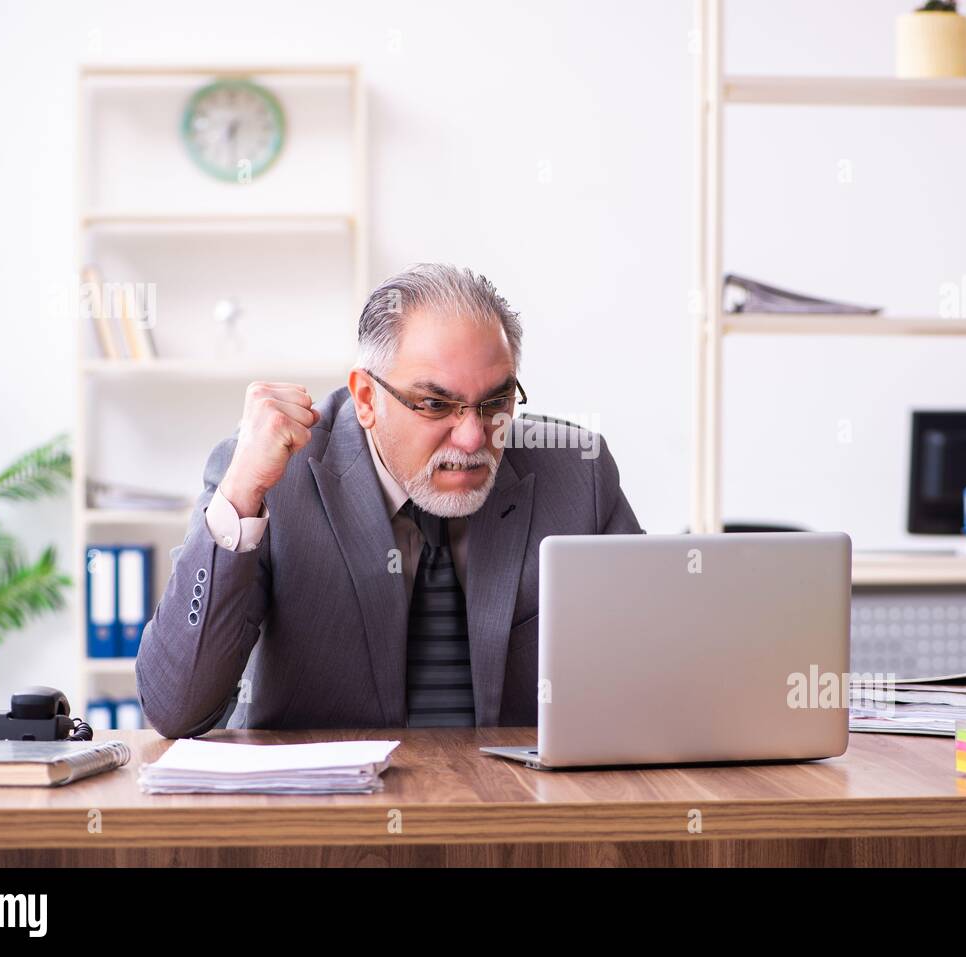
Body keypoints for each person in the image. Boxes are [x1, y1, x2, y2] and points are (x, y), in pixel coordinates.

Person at [135, 263, 642, 736]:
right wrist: (240, 496)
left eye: (494, 402)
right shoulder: (273, 480)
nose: (471, 437)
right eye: (435, 404)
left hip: (514, 814)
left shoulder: (578, 474)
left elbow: (653, 674)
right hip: (326, 820)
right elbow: (177, 709)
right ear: (366, 399)